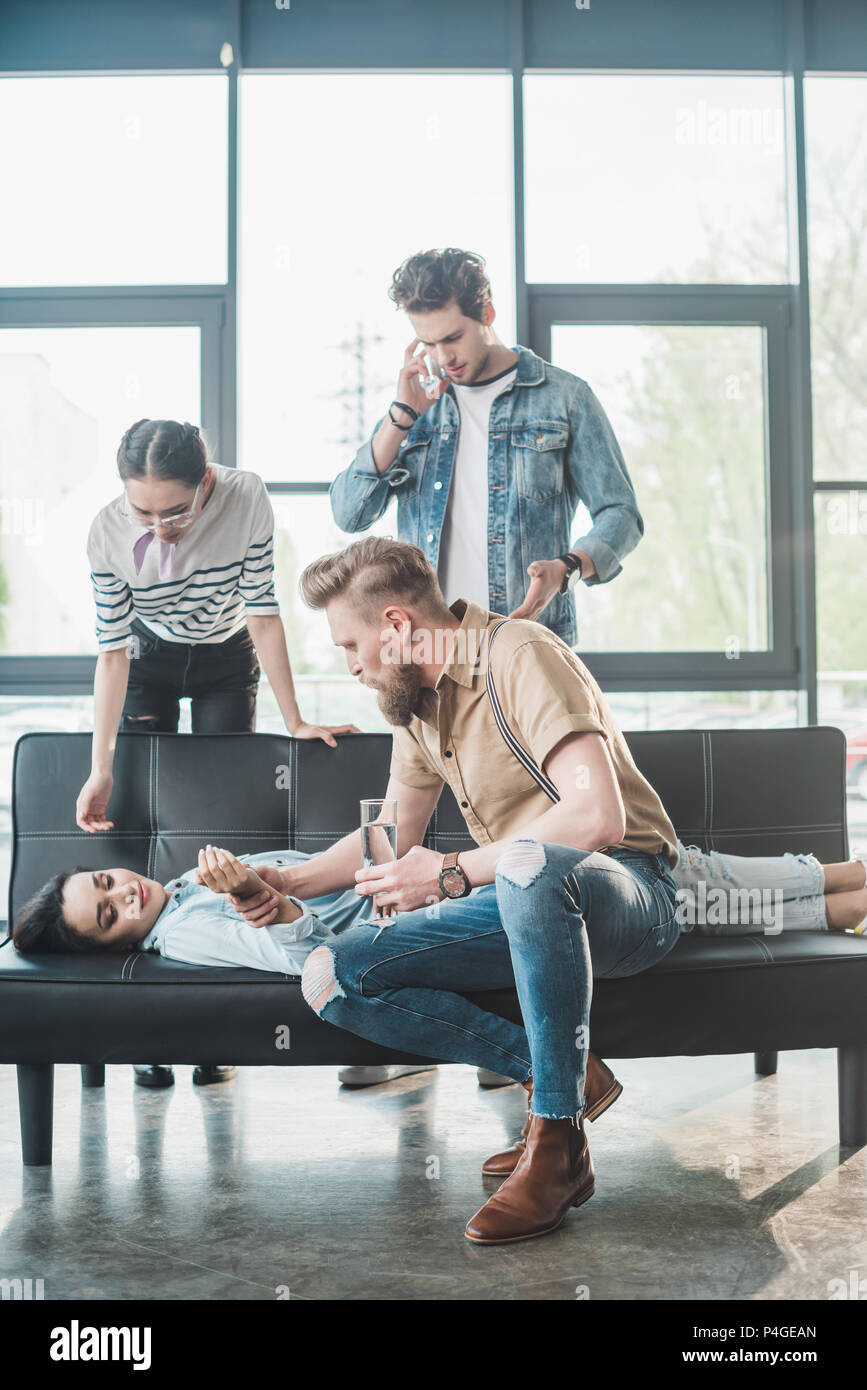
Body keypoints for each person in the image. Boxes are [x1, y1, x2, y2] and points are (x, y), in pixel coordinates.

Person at [229, 535, 681, 1245]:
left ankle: (556, 1144)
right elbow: (391, 831)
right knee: (332, 974)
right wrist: (290, 880)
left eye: (352, 645)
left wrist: (450, 873)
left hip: (627, 893)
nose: (350, 666)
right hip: (521, 902)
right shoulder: (418, 700)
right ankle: (561, 1076)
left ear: (399, 626)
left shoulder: (520, 655)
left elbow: (596, 816)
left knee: (530, 865)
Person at [331, 246, 643, 1089]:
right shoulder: (418, 403)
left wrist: (571, 564)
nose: (446, 356)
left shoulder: (564, 397)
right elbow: (348, 508)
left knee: (545, 843)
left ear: (488, 309)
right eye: (429, 342)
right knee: (435, 814)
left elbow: (622, 513)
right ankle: (444, 1015)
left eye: (456, 336)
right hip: (429, 647)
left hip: (515, 642)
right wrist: (401, 411)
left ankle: (530, 1056)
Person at [76, 418, 359, 1088]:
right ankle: (152, 1032)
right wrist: (101, 766)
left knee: (215, 815)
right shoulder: (106, 531)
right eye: (142, 509)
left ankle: (211, 1037)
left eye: (175, 509)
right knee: (151, 815)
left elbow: (262, 611)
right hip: (147, 657)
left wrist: (293, 719)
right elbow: (111, 653)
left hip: (228, 657)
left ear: (205, 482)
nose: (161, 525)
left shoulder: (244, 496)